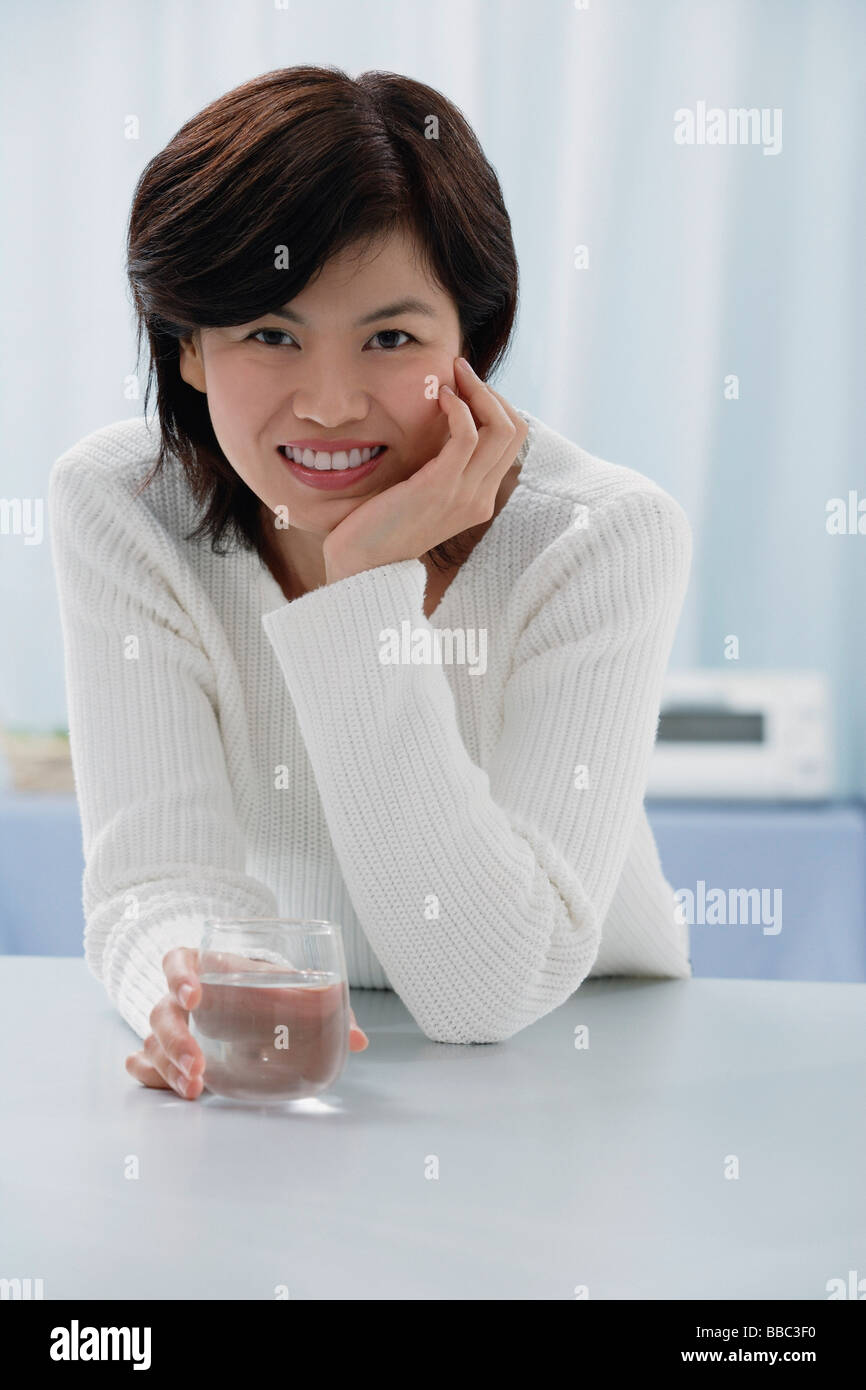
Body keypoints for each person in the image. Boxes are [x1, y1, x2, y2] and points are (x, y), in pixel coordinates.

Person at [48, 65, 693, 1102]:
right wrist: (186, 984)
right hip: (301, 1066)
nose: (332, 402)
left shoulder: (601, 536)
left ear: (469, 347)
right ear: (189, 351)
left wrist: (359, 593)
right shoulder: (122, 507)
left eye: (390, 338)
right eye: (269, 334)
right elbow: (154, 884)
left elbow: (486, 991)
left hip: (583, 1058)